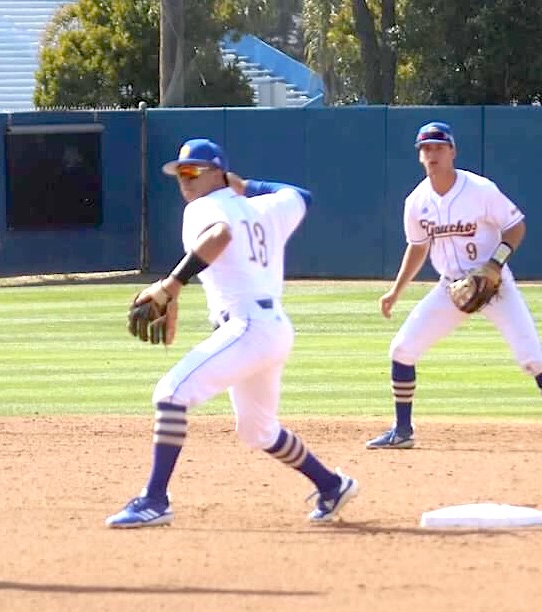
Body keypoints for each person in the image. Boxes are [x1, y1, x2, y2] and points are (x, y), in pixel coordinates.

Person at [106, 138, 358, 528]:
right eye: (180, 172)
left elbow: (220, 236)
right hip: (271, 328)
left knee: (171, 394)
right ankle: (331, 485)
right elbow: (301, 195)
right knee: (258, 430)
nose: (184, 179)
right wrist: (248, 186)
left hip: (248, 326)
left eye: (193, 171)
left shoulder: (202, 208)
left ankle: (154, 499)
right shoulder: (267, 208)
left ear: (217, 173)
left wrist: (171, 286)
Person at [366, 121, 542, 451]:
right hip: (450, 289)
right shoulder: (416, 202)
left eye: (439, 147)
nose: (432, 154)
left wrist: (495, 264)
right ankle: (402, 430)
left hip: (495, 286)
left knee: (531, 357)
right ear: (419, 157)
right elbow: (418, 246)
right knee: (401, 350)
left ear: (453, 151)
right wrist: (396, 290)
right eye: (426, 149)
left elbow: (515, 227)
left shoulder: (480, 189)